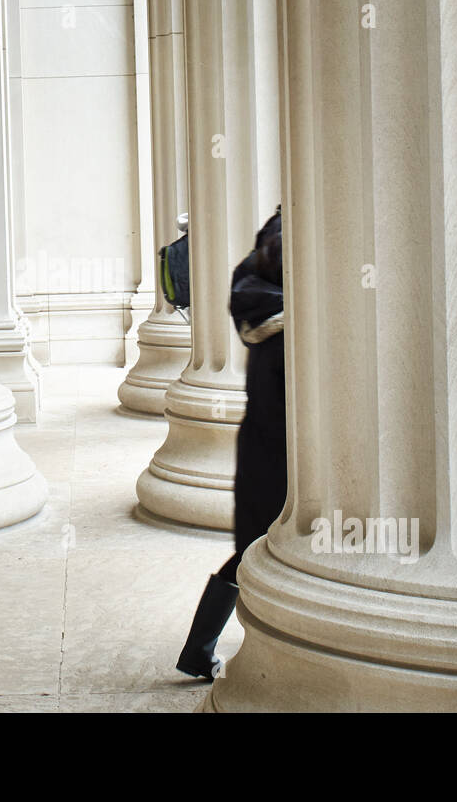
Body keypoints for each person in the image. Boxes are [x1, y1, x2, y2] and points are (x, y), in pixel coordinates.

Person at [176, 206, 287, 680]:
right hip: (283, 452)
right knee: (264, 548)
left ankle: (198, 649)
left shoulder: (264, 312)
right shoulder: (295, 332)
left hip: (262, 446)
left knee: (250, 547)